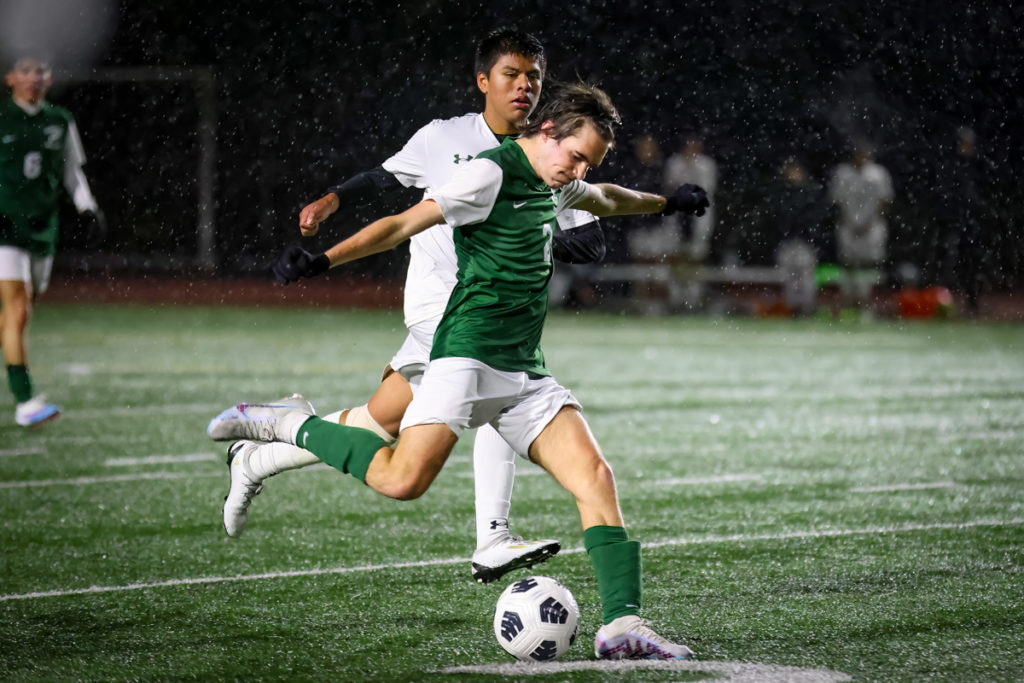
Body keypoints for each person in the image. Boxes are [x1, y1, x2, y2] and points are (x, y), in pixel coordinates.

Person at [208, 82, 708, 660]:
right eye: (575, 155)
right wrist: (324, 260)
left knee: (594, 477)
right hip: (465, 355)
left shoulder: (561, 181)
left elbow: (607, 198)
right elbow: (401, 224)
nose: (577, 170)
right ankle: (290, 423)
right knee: (402, 480)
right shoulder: (487, 174)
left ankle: (622, 626)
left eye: (587, 162)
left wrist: (667, 203)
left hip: (523, 370)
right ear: (547, 131)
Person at [214, 30, 608, 585]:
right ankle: (492, 536)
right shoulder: (444, 139)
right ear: (482, 81)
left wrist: (526, 227)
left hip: (485, 311)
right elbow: (386, 182)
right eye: (511, 75)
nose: (525, 86)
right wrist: (333, 200)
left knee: (380, 424)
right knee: (498, 387)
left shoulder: (551, 157)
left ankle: (262, 449)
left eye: (535, 77)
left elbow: (590, 242)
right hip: (442, 311)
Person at [1, 52, 103, 427]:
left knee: (22, 307)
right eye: (25, 70)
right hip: (4, 228)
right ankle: (25, 400)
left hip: (43, 227)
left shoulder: (59, 121)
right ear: (10, 77)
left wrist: (87, 207)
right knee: (18, 308)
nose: (34, 77)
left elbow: (71, 172)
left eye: (40, 70)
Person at [827, 140, 893, 313]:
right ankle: (849, 299)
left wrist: (869, 223)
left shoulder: (878, 174)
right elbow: (837, 202)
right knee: (847, 263)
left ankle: (866, 302)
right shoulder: (843, 173)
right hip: (848, 226)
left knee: (870, 264)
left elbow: (885, 200)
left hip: (871, 227)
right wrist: (849, 223)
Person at [772, 157, 827, 316]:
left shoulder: (811, 192)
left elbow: (813, 217)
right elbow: (780, 216)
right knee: (789, 276)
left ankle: (807, 307)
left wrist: (805, 232)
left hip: (805, 241)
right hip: (788, 240)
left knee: (806, 275)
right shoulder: (783, 192)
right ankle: (794, 307)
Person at [662, 133, 717, 262]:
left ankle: (694, 277)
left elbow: (706, 189)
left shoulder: (706, 164)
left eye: (695, 147)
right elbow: (669, 185)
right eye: (688, 147)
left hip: (699, 210)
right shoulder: (674, 163)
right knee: (674, 249)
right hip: (678, 211)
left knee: (697, 250)